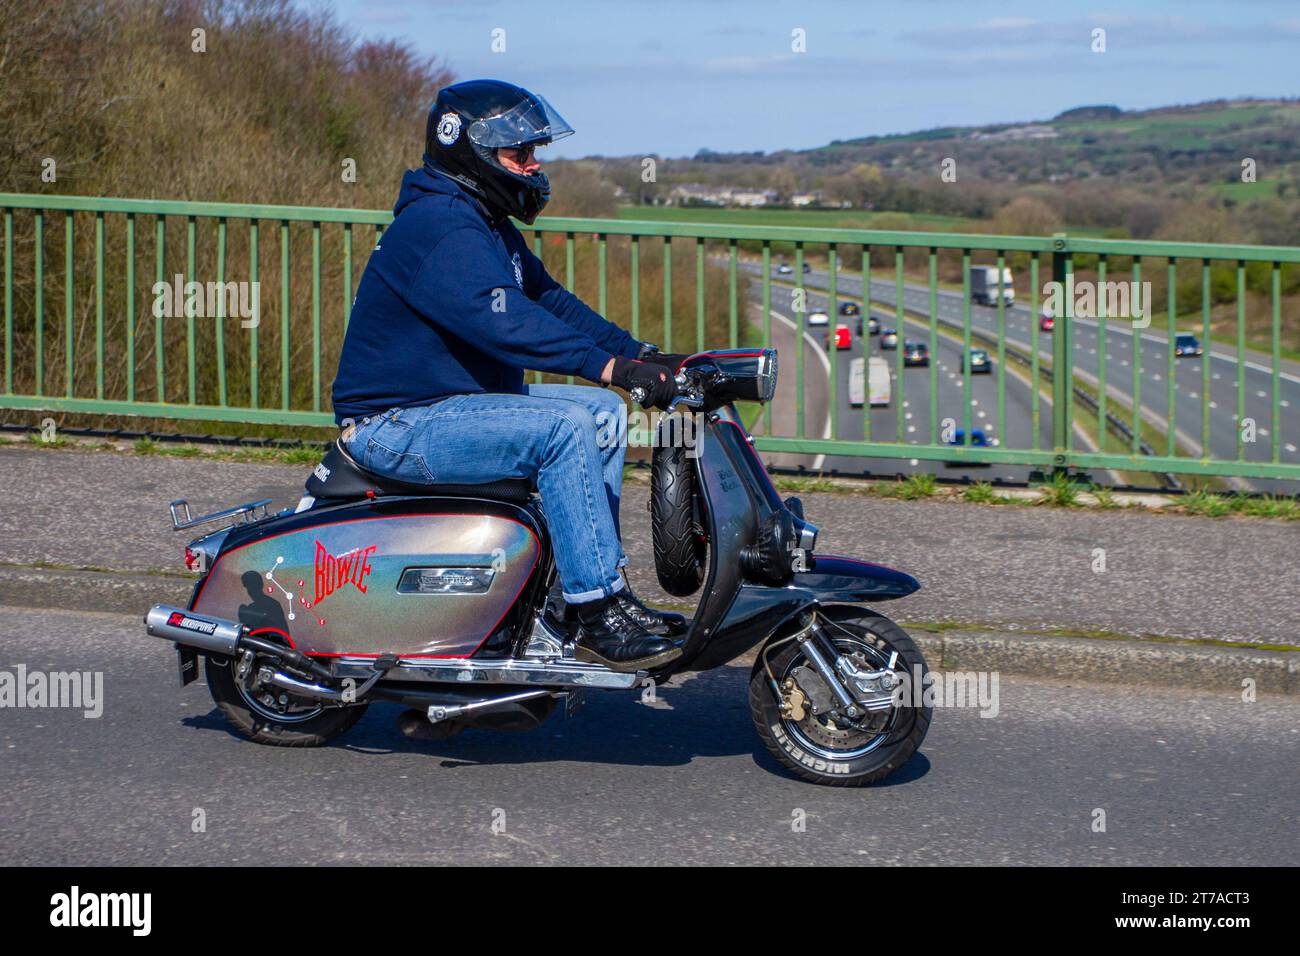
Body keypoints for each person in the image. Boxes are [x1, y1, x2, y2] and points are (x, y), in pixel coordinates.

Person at [332, 79, 694, 674]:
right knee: (566, 426)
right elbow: (503, 321)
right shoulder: (439, 226)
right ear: (470, 150)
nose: (533, 167)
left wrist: (645, 357)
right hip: (394, 426)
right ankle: (596, 605)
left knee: (602, 414)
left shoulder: (485, 224)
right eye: (519, 154)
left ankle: (567, 597)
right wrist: (607, 368)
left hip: (447, 408)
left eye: (535, 153)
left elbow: (552, 304)